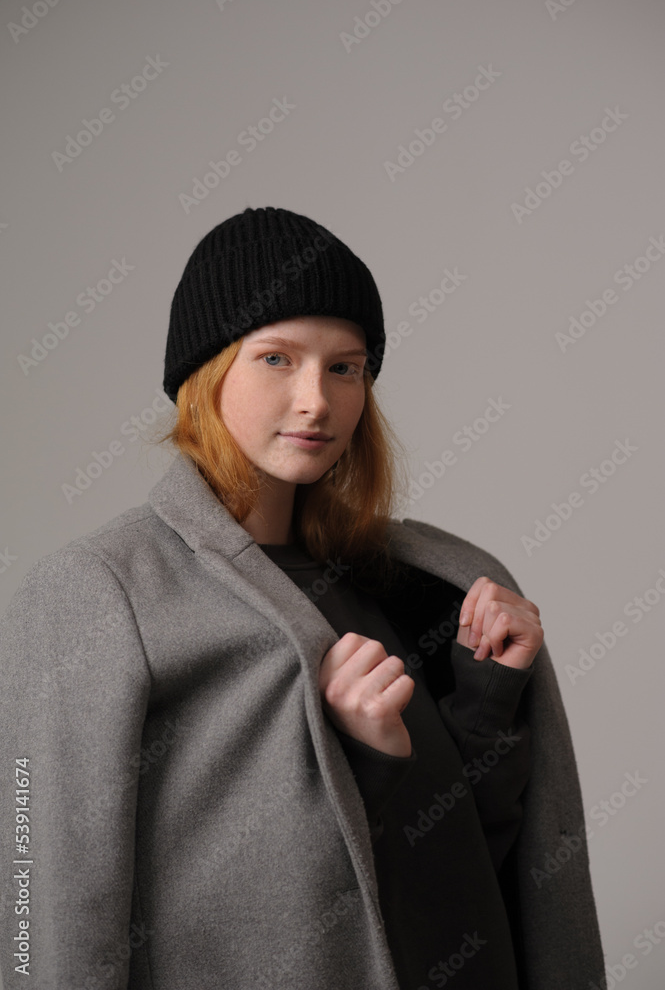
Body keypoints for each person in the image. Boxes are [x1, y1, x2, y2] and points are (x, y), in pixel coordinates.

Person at [0, 206, 605, 989]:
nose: (316, 399)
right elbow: (39, 898)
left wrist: (486, 703)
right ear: (205, 372)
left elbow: (464, 861)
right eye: (276, 359)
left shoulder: (424, 582)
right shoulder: (98, 592)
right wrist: (353, 760)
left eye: (345, 366)